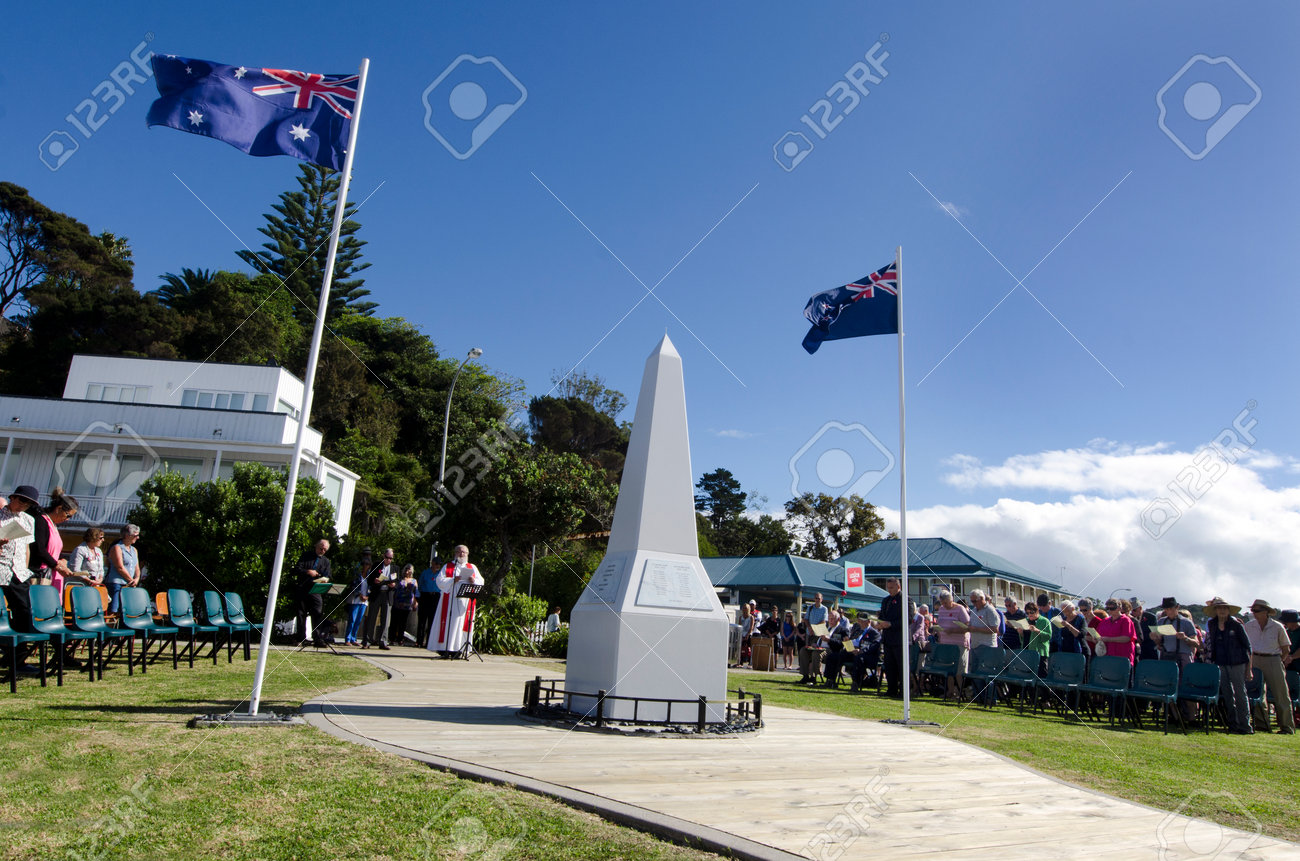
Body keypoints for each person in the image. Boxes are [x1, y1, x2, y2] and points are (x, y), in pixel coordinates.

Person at [0, 485, 38, 675]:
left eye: (28, 504)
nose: (24, 506)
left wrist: (26, 569)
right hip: (1, 567)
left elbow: (27, 548)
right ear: (13, 498)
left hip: (18, 571)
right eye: (22, 501)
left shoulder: (28, 520)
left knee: (24, 612)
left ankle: (17, 659)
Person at [1243, 599, 1295, 734]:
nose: (1254, 613)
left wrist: (1280, 662)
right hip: (1255, 659)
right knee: (1257, 692)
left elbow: (1286, 648)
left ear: (1266, 612)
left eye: (1257, 610)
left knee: (1281, 694)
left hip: (1273, 659)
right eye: (1253, 610)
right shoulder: (1249, 626)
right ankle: (1262, 724)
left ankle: (1287, 727)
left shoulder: (1278, 627)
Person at [1204, 597, 1253, 734]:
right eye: (1219, 608)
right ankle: (1232, 723)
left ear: (1229, 610)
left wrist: (1249, 669)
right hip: (1220, 663)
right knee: (1227, 694)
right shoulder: (1212, 624)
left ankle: (1245, 725)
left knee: (1240, 694)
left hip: (1237, 663)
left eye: (1224, 608)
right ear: (1215, 610)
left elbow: (1248, 647)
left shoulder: (1236, 625)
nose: (1222, 610)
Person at [426, 544, 484, 656]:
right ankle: (444, 649)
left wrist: (474, 580)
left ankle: (458, 650)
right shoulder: (448, 566)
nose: (461, 554)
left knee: (461, 624)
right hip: (449, 602)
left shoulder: (472, 567)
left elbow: (481, 581)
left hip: (465, 603)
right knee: (448, 623)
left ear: (467, 554)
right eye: (459, 552)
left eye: (464, 552)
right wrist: (453, 579)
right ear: (455, 553)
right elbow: (439, 581)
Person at [29, 488, 77, 597]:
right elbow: (39, 549)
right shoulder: (41, 521)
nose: (68, 519)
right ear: (59, 509)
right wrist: (57, 566)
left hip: (51, 574)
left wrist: (63, 559)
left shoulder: (53, 525)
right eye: (68, 515)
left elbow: (56, 550)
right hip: (39, 574)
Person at [876, 579, 913, 699]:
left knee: (901, 667)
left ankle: (903, 691)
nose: (889, 590)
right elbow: (882, 616)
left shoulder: (906, 599)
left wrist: (891, 624)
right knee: (890, 665)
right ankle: (891, 689)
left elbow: (909, 619)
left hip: (900, 639)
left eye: (892, 588)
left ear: (898, 586)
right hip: (888, 638)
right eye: (888, 588)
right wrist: (879, 624)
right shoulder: (886, 600)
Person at [292, 538, 331, 646]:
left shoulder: (326, 561)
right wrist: (308, 572)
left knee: (317, 613)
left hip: (316, 590)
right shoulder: (306, 556)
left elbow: (328, 575)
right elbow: (296, 569)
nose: (322, 551)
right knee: (301, 614)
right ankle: (301, 637)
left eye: (325, 550)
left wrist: (324, 579)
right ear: (316, 546)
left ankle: (317, 638)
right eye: (321, 548)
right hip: (303, 588)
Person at [934, 590, 971, 697]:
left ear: (951, 600)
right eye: (942, 603)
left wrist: (953, 631)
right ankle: (951, 691)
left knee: (960, 669)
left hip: (959, 643)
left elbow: (967, 626)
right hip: (946, 643)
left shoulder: (960, 609)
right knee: (948, 668)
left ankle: (961, 692)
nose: (944, 605)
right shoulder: (941, 609)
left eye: (946, 603)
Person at [363, 548, 399, 649]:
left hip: (387, 595)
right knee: (372, 617)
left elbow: (398, 582)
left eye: (391, 558)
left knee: (386, 619)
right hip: (377, 593)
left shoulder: (395, 568)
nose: (388, 560)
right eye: (387, 558)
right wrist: (374, 581)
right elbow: (369, 579)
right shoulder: (376, 566)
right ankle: (368, 640)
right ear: (384, 556)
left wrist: (394, 585)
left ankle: (383, 641)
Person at [105, 524, 142, 617]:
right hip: (116, 584)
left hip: (129, 585)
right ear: (127, 536)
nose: (137, 538)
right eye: (135, 535)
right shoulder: (117, 548)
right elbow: (119, 567)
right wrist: (131, 580)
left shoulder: (134, 550)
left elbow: (136, 567)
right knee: (113, 612)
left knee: (126, 611)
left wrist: (136, 579)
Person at [798, 592, 829, 685]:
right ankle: (805, 675)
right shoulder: (810, 608)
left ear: (821, 599)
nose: (817, 600)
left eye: (818, 598)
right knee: (805, 652)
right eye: (815, 598)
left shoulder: (824, 609)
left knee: (815, 654)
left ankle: (814, 676)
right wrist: (810, 628)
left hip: (818, 634)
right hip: (809, 633)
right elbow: (806, 619)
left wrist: (815, 628)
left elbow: (824, 621)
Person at [1097, 598, 1138, 666]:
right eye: (1108, 608)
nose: (1110, 611)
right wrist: (1096, 639)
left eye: (1112, 608)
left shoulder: (1126, 620)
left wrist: (1108, 639)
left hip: (1121, 657)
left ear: (1119, 608)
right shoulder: (1104, 621)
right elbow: (1098, 635)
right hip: (1106, 657)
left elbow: (1127, 638)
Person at [342, 550, 370, 646]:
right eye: (364, 564)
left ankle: (354, 638)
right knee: (352, 619)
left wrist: (367, 596)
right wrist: (360, 595)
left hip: (364, 601)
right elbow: (353, 586)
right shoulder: (356, 575)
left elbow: (370, 587)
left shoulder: (368, 576)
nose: (365, 566)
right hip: (355, 599)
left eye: (367, 565)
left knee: (358, 620)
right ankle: (348, 638)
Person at [389, 564, 419, 646]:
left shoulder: (414, 581)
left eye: (409, 569)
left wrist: (415, 603)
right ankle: (391, 638)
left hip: (407, 604)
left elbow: (416, 592)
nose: (407, 571)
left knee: (403, 623)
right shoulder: (400, 580)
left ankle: (400, 639)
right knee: (394, 622)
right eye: (406, 569)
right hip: (397, 603)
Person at [416, 555, 442, 647]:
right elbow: (420, 584)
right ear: (432, 563)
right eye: (436, 563)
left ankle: (429, 642)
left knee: (432, 620)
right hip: (425, 596)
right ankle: (419, 641)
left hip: (435, 597)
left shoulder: (440, 574)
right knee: (422, 619)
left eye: (439, 564)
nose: (438, 566)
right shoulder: (425, 572)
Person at [1022, 601, 1051, 676]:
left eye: (1031, 612)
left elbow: (1048, 636)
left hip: (1040, 653)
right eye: (1027, 613)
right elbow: (1024, 638)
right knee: (1028, 675)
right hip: (1028, 652)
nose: (1029, 615)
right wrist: (1020, 632)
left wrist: (1037, 630)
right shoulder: (1026, 621)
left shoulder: (1044, 621)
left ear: (1036, 611)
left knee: (1041, 675)